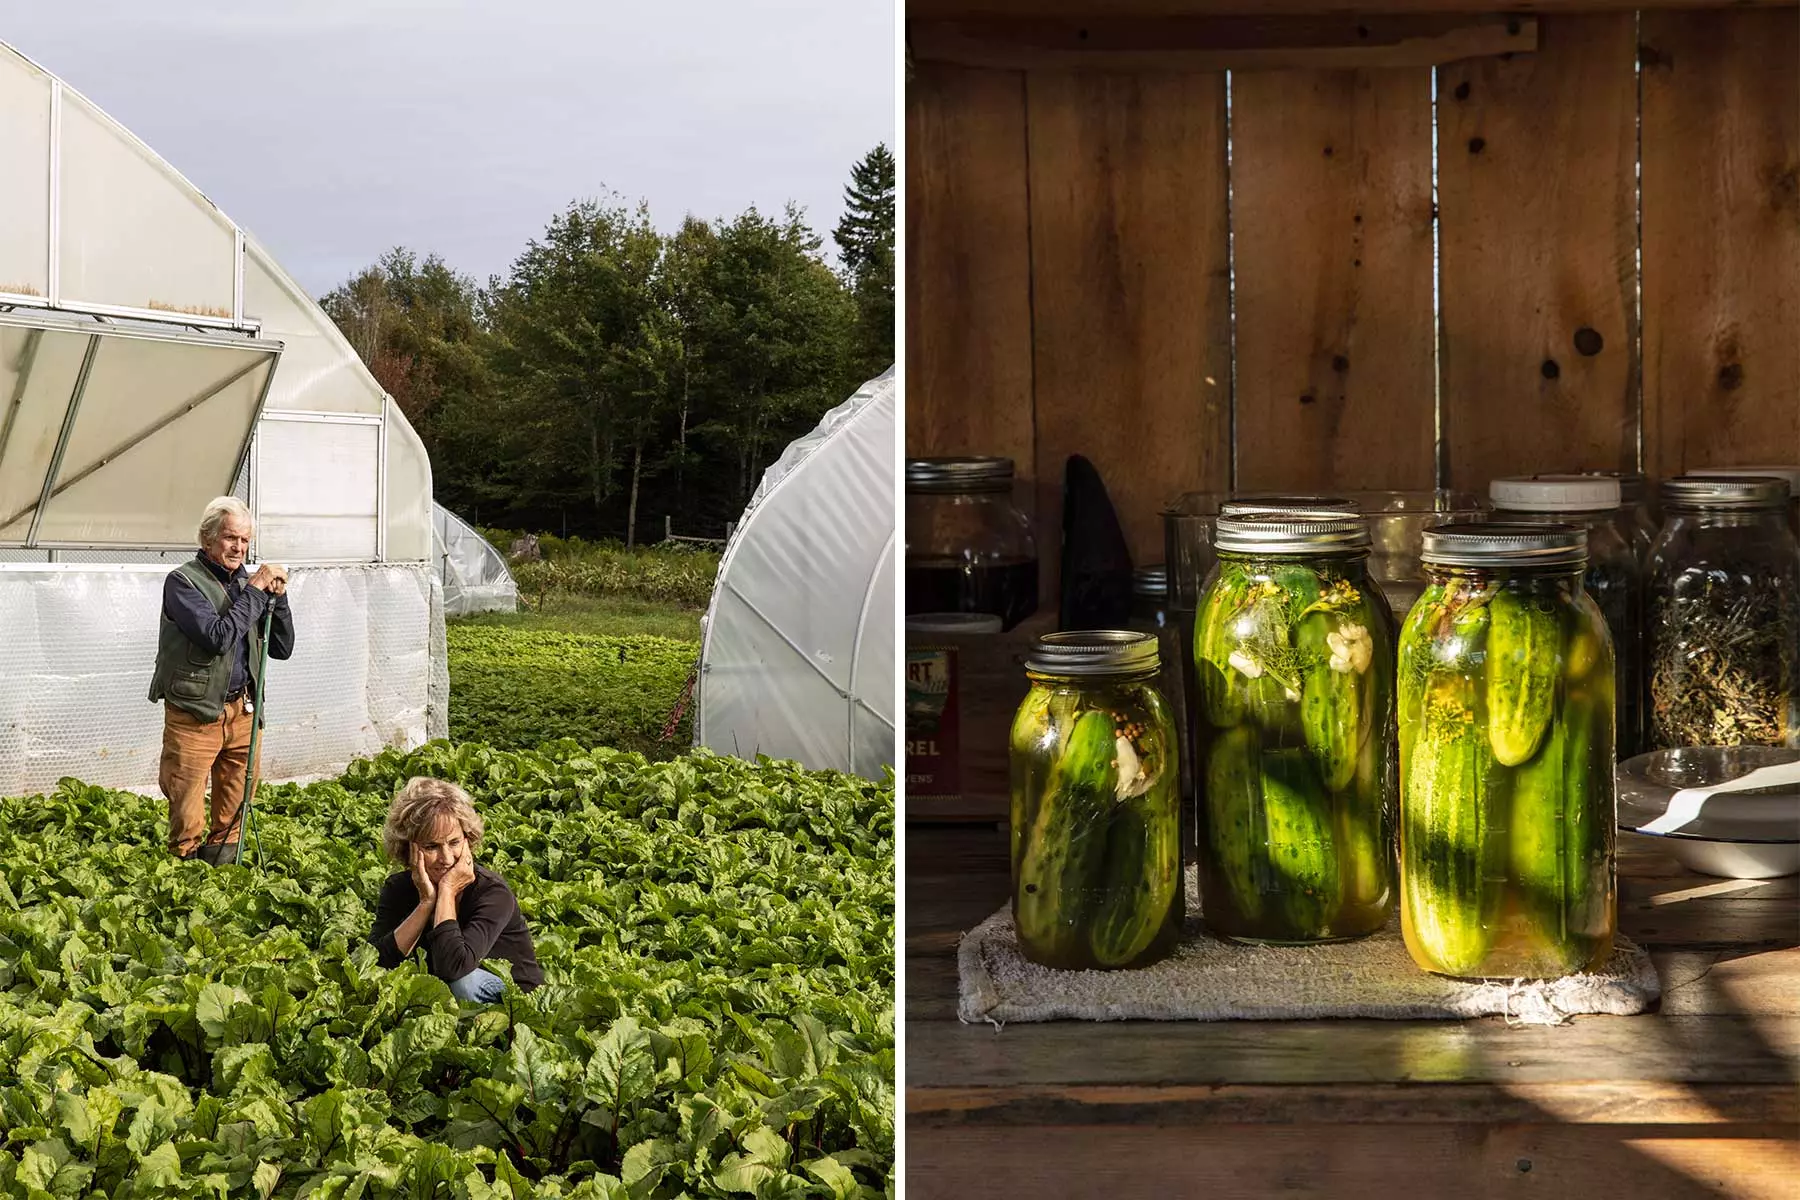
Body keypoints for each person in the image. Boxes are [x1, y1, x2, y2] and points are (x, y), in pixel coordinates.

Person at [148, 495, 294, 863]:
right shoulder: (182, 583)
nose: (239, 548)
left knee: (235, 804)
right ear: (208, 538)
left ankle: (223, 869)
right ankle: (183, 872)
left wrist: (280, 598)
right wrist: (256, 590)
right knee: (187, 805)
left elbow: (282, 647)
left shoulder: (247, 583)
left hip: (243, 711)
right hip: (196, 714)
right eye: (231, 538)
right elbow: (217, 637)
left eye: (245, 541)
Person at [369, 777, 543, 1001]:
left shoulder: (492, 892)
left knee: (463, 984)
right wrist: (425, 904)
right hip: (446, 987)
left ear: (468, 840)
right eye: (431, 846)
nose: (446, 858)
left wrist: (448, 890)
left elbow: (454, 967)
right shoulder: (397, 888)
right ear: (408, 848)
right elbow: (374, 962)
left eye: (454, 842)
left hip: (513, 996)